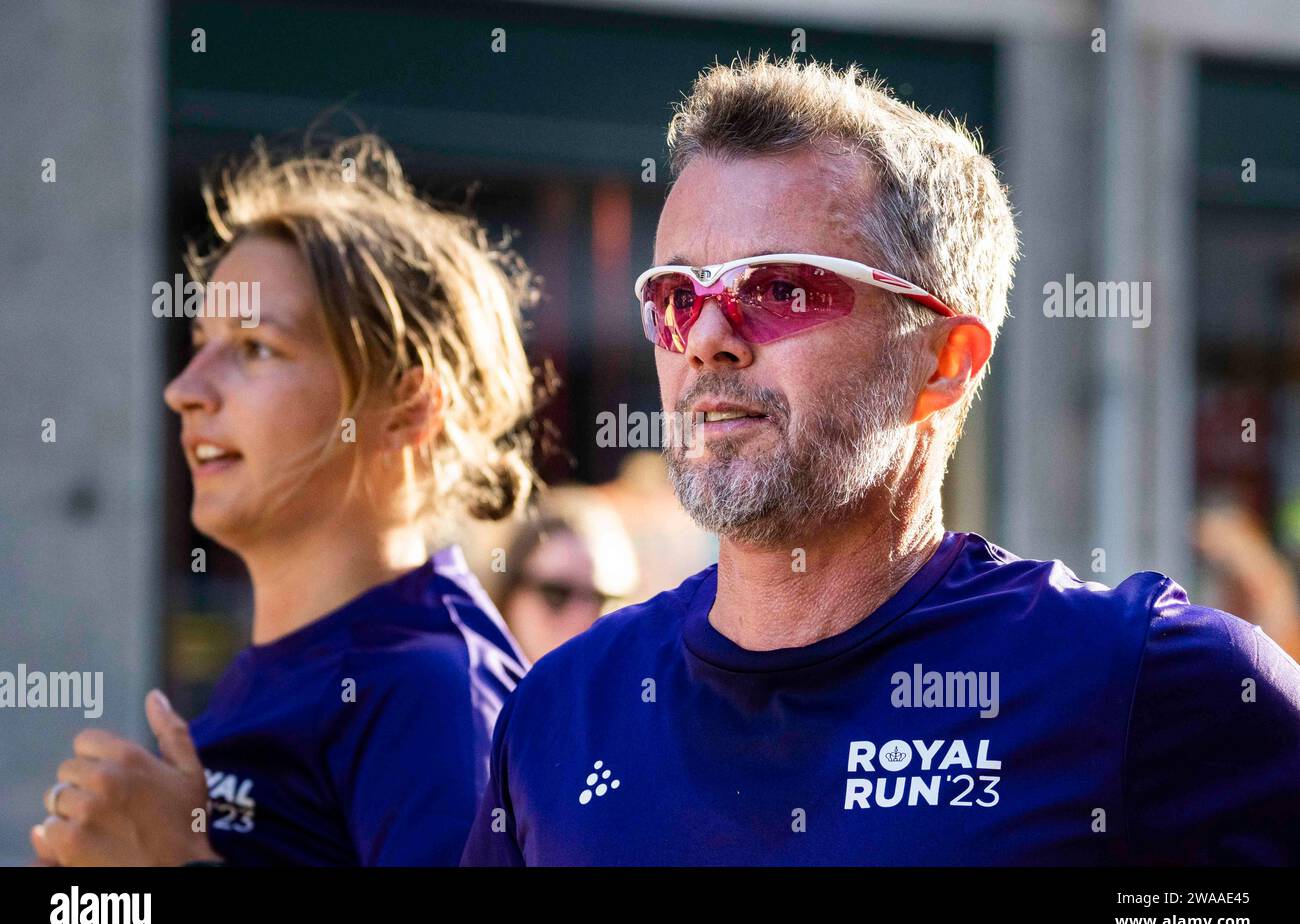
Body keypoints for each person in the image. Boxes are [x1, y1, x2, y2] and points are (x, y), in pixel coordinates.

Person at [461, 55, 1300, 866]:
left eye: (781, 289)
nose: (708, 339)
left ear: (946, 362)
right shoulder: (562, 710)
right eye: (678, 297)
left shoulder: (1148, 683)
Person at [32, 133, 533, 866]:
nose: (185, 390)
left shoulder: (432, 690)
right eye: (199, 342)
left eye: (256, 348)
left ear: (408, 407)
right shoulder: (282, 670)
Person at [486, 486, 638, 664]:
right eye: (557, 594)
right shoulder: (460, 682)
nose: (583, 619)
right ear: (507, 596)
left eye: (606, 600)